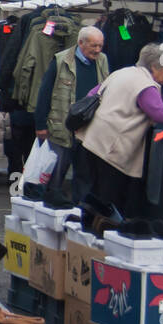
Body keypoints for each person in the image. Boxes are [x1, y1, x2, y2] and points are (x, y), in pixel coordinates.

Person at [77, 42, 163, 219]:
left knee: (92, 195)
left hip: (91, 140)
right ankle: (101, 236)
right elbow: (159, 114)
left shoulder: (121, 72)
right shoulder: (146, 85)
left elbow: (92, 95)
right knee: (108, 201)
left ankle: (83, 231)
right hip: (111, 149)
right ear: (155, 66)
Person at [33, 26, 108, 200]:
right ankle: (49, 208)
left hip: (89, 130)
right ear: (81, 43)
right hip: (61, 128)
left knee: (84, 177)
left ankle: (80, 214)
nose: (97, 50)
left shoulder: (102, 60)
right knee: (55, 175)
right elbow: (44, 92)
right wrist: (40, 124)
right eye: (93, 46)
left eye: (100, 46)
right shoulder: (61, 60)